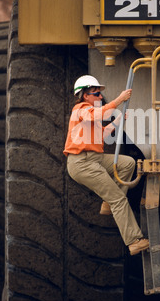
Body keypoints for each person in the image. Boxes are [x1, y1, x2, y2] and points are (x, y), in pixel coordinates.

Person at [63, 75, 149, 256]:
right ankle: (134, 241)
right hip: (81, 163)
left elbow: (102, 134)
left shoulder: (89, 117)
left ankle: (108, 205)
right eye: (96, 94)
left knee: (127, 163)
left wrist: (118, 121)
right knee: (119, 199)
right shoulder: (80, 109)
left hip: (94, 159)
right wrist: (119, 99)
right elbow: (99, 113)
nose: (100, 97)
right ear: (85, 95)